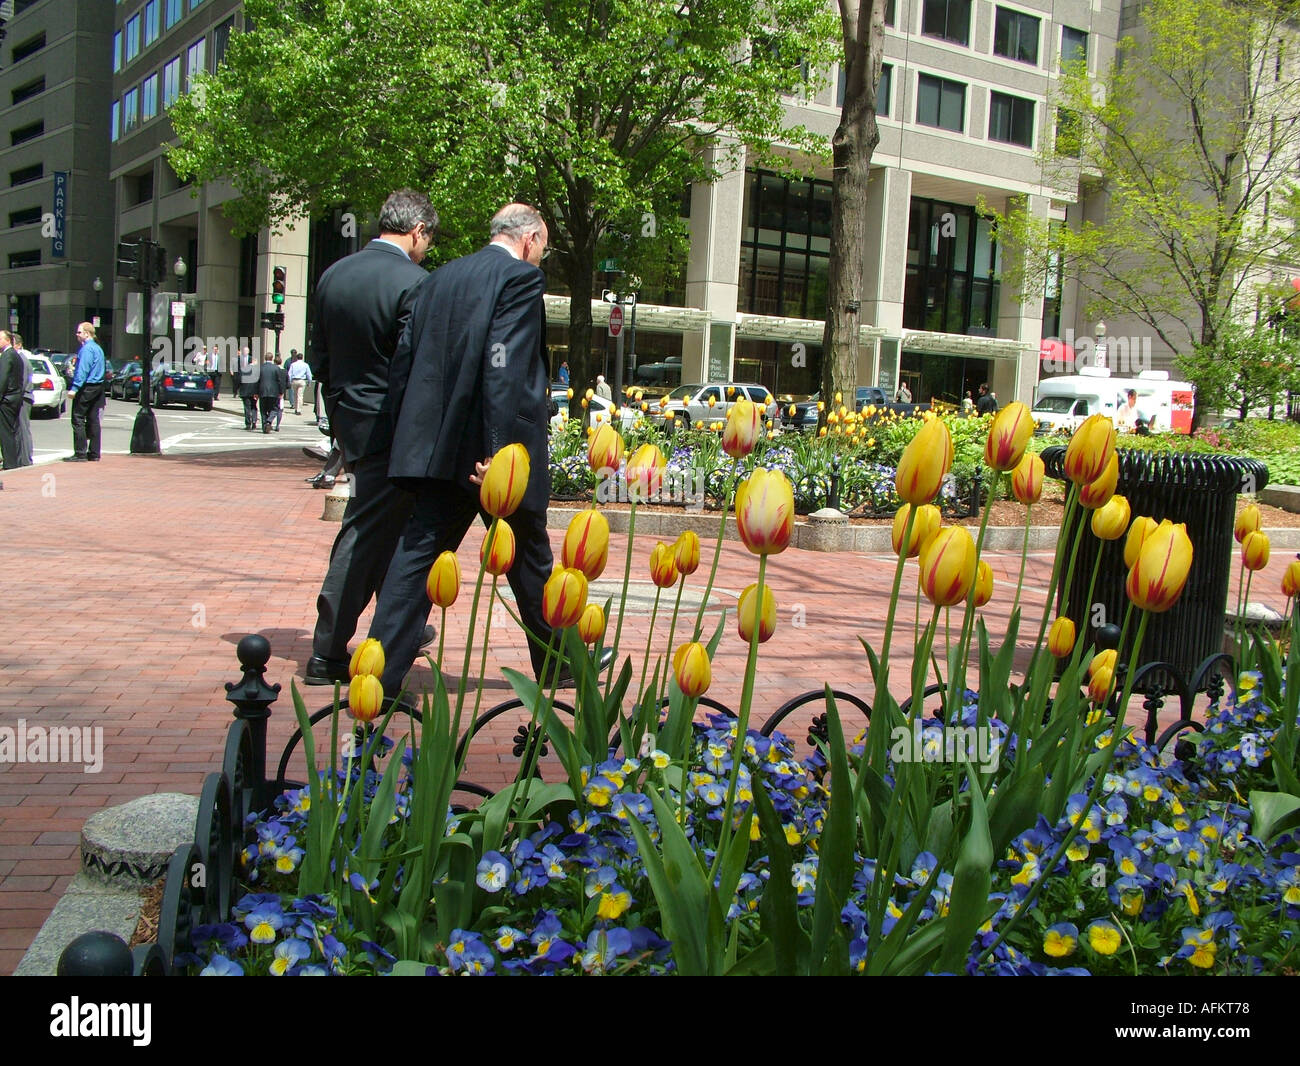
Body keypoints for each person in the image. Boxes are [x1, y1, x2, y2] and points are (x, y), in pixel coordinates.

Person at [367, 202, 569, 699]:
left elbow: (404, 365)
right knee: (530, 555)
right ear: (529, 241)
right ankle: (562, 664)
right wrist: (501, 454)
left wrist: (406, 441)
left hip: (437, 451)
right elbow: (506, 371)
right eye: (543, 247)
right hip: (488, 455)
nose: (541, 257)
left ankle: (377, 674)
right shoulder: (521, 279)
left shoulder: (436, 279)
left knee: (416, 557)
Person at [303, 188, 439, 687]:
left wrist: (341, 417)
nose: (427, 249)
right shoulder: (416, 283)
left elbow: (319, 358)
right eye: (428, 240)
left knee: (385, 525)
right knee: (365, 530)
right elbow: (413, 370)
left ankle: (399, 627)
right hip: (393, 429)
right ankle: (328, 651)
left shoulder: (332, 275)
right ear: (418, 231)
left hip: (349, 422)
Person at [65, 322, 107, 462]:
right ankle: (94, 453)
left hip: (87, 387)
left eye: (79, 332)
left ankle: (80, 453)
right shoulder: (98, 348)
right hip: (98, 387)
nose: (76, 334)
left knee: (78, 418)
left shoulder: (87, 349)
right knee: (93, 419)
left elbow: (83, 370)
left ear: (86, 334)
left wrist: (75, 388)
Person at [0, 330, 24, 469]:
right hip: (14, 398)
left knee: (5, 432)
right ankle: (12, 461)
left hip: (7, 400)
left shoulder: (7, 356)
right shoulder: (15, 355)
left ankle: (10, 463)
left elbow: (2, 380)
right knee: (11, 430)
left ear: (8, 340)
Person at [12, 333, 34, 467]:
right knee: (19, 430)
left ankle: (25, 460)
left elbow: (22, 381)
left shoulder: (21, 359)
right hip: (22, 397)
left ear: (19, 345)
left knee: (23, 429)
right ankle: (21, 458)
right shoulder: (19, 359)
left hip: (23, 398)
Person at [258, 352, 286, 433]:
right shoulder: (276, 368)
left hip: (263, 391)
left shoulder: (261, 368)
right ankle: (269, 421)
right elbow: (279, 381)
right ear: (272, 358)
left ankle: (265, 425)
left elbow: (257, 381)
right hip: (274, 392)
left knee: (263, 409)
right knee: (274, 409)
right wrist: (281, 392)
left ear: (265, 358)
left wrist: (256, 392)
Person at [237, 347, 260, 430]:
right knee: (254, 407)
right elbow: (259, 382)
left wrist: (238, 389)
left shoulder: (243, 369)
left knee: (247, 407)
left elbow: (239, 380)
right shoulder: (258, 370)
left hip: (245, 391)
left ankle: (248, 424)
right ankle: (254, 422)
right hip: (254, 392)